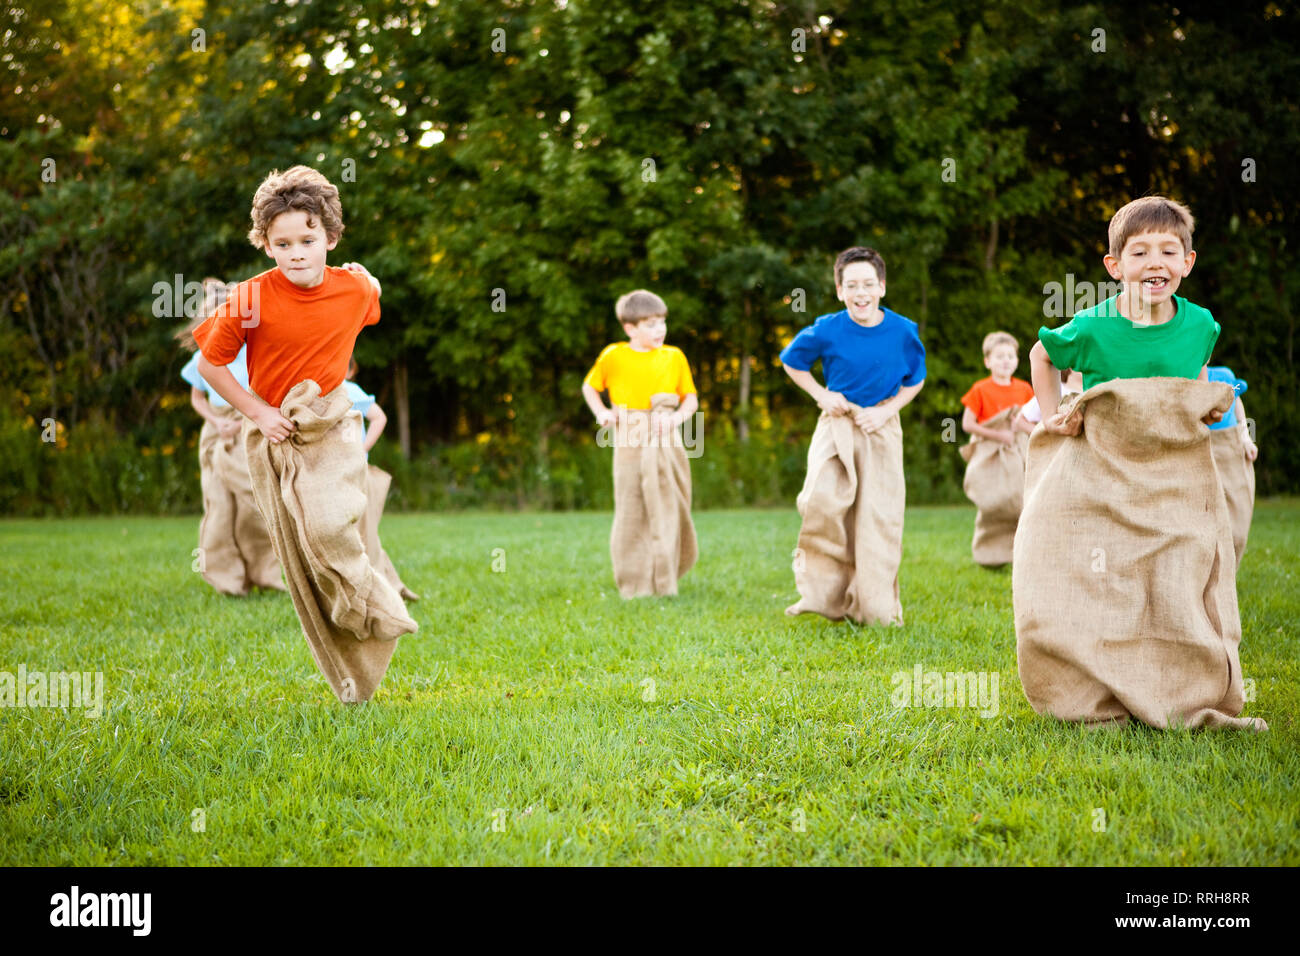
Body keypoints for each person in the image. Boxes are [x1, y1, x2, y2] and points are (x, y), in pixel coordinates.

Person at [1017, 196, 1265, 731]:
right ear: (1115, 266)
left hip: (1174, 471)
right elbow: (1042, 355)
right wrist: (1052, 411)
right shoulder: (1092, 325)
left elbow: (1192, 382)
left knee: (1180, 572)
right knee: (1105, 577)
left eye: (1168, 251)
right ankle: (1096, 687)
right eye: (1139, 252)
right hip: (1102, 470)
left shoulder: (1201, 325)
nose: (1155, 262)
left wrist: (1206, 411)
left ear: (1187, 262)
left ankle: (1179, 686)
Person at [192, 165, 417, 704]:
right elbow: (210, 365)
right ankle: (350, 616)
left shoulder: (355, 287)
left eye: (308, 240)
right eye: (282, 242)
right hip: (276, 427)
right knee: (302, 545)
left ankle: (372, 604)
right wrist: (260, 413)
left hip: (334, 420)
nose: (296, 252)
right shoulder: (249, 298)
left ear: (331, 239)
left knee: (330, 521)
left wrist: (371, 278)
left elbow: (371, 294)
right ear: (266, 244)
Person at [780, 246, 926, 624]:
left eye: (867, 284)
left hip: (880, 427)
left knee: (877, 516)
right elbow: (792, 362)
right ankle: (824, 596)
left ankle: (873, 604)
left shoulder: (903, 331)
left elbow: (916, 378)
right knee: (819, 500)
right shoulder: (827, 328)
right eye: (851, 286)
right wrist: (822, 395)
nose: (860, 293)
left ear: (881, 286)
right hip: (837, 425)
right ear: (839, 291)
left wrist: (887, 411)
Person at [582, 289, 699, 597]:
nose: (659, 329)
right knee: (632, 504)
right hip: (629, 432)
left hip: (665, 431)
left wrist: (675, 420)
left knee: (670, 500)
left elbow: (691, 400)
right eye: (650, 323)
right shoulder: (613, 355)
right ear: (629, 328)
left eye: (662, 321)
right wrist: (602, 412)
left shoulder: (674, 357)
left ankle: (666, 578)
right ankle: (635, 583)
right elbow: (589, 387)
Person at [178, 277, 284, 596]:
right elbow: (197, 399)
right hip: (216, 432)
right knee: (219, 506)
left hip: (248, 427)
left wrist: (243, 420)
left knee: (254, 503)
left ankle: (267, 572)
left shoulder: (253, 352)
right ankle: (228, 579)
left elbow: (264, 397)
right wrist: (216, 422)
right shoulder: (201, 359)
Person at [957, 331, 1035, 567]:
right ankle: (988, 554)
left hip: (1017, 451)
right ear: (987, 361)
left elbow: (1032, 418)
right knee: (993, 502)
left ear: (1017, 361)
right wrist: (998, 433)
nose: (1005, 361)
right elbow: (968, 424)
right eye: (999, 356)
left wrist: (1020, 428)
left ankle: (1019, 553)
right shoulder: (980, 389)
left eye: (1010, 356)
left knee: (1020, 500)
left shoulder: (1024, 389)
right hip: (990, 453)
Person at [345, 356, 419, 601]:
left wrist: (363, 448)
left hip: (356, 473)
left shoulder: (350, 391)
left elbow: (379, 417)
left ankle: (383, 589)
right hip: (333, 475)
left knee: (364, 533)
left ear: (349, 371)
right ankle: (376, 586)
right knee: (350, 534)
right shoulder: (318, 393)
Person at [1206, 365, 1258, 566]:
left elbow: (1236, 398)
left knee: (1236, 519)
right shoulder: (1183, 376)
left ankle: (1227, 570)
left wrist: (1245, 437)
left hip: (1228, 449)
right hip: (1200, 448)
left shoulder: (1224, 376)